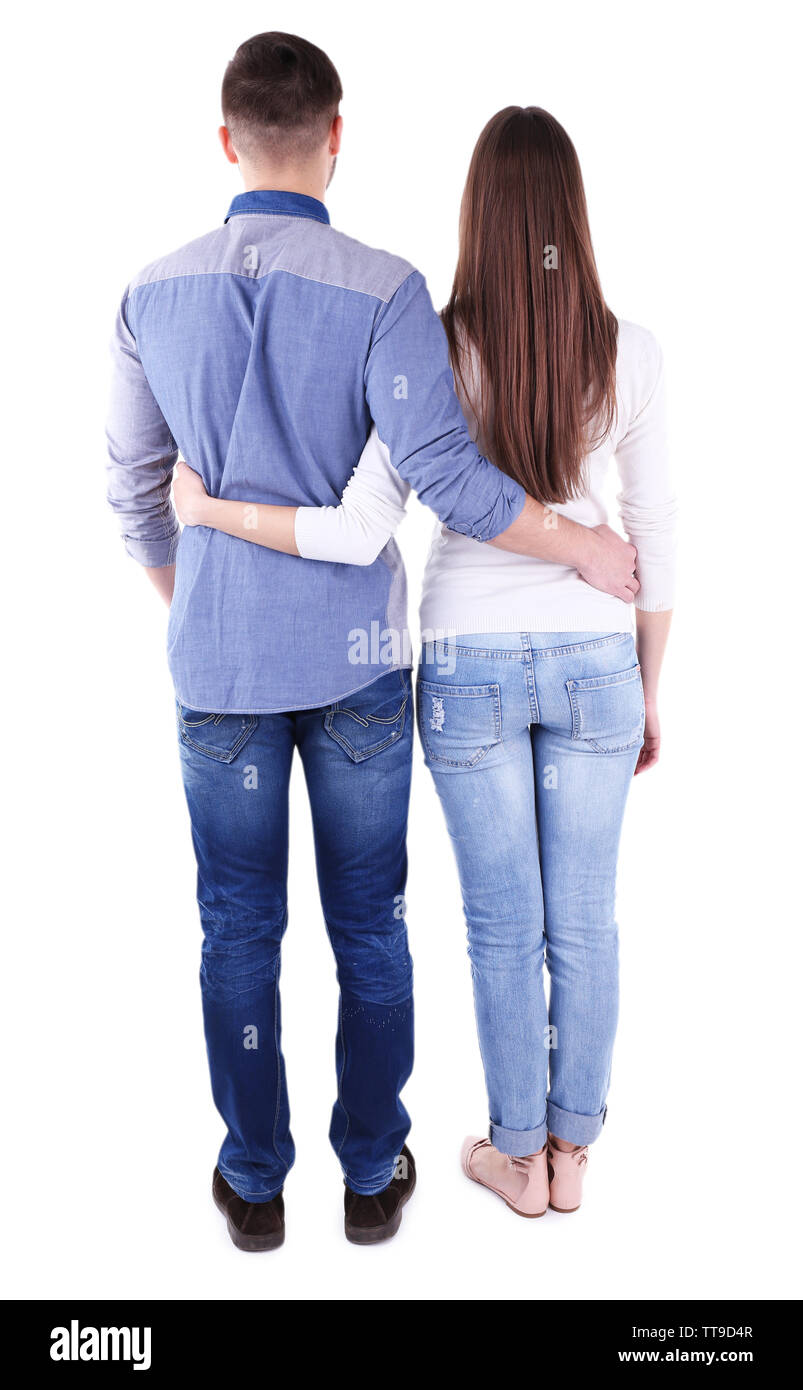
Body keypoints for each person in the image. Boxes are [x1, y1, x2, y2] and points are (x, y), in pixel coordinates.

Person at [173, 104, 676, 1222]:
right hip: (596, 660)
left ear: (477, 217)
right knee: (582, 920)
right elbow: (656, 537)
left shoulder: (432, 344)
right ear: (572, 219)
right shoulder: (629, 351)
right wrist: (649, 682)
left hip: (465, 665)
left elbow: (359, 529)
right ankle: (568, 1157)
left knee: (501, 925)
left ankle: (509, 1157)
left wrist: (208, 510)